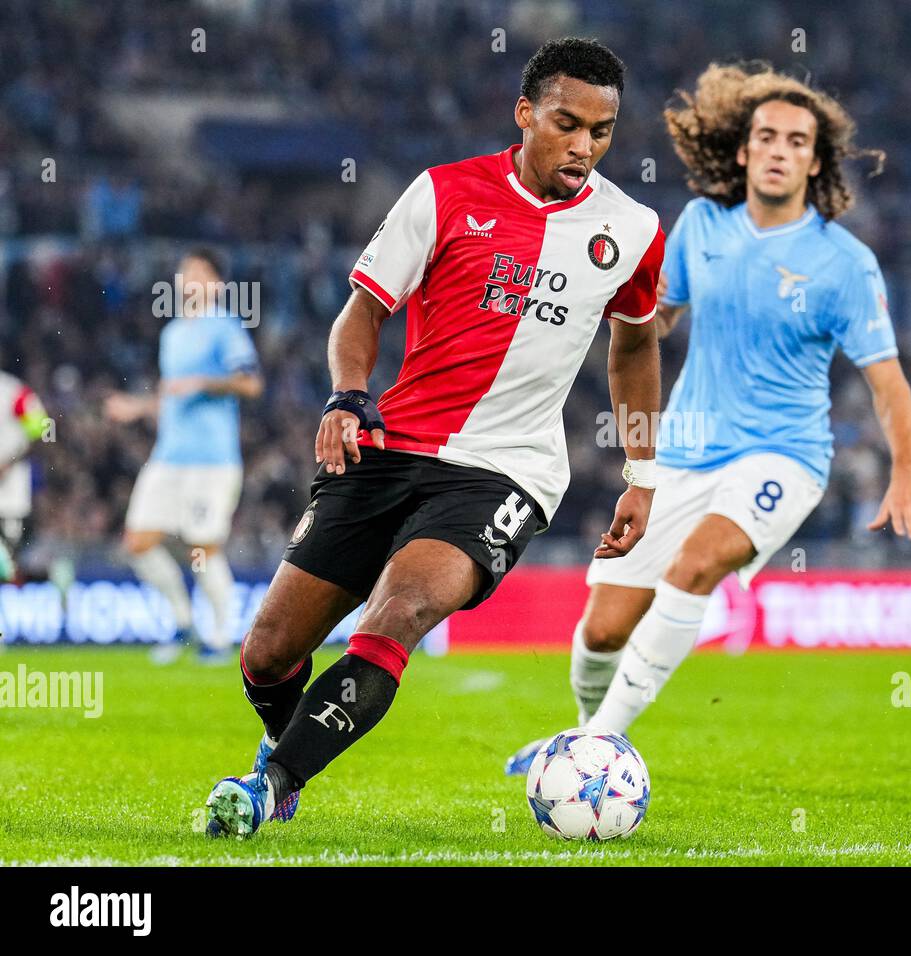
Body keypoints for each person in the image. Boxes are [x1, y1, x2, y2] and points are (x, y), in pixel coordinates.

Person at [203, 37, 666, 839]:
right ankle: (291, 746)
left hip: (506, 471)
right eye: (567, 123)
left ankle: (270, 785)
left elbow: (634, 344)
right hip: (391, 449)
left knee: (403, 609)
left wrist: (642, 470)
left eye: (603, 130)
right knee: (268, 655)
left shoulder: (630, 228)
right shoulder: (445, 193)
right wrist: (347, 396)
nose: (584, 146)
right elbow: (364, 309)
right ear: (525, 114)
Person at [506, 62, 911, 773]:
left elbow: (887, 381)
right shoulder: (703, 225)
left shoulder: (844, 264)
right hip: (681, 453)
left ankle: (597, 747)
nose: (778, 149)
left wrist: (908, 471)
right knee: (602, 630)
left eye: (796, 141)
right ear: (742, 150)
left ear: (814, 160)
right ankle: (582, 729)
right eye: (765, 135)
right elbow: (655, 319)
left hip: (781, 455)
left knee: (697, 564)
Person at [105, 248, 262, 664]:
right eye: (185, 272)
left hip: (211, 460)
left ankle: (221, 636)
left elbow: (250, 385)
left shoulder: (226, 327)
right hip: (168, 456)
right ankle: (182, 621)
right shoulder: (172, 334)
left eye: (200, 273)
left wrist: (203, 382)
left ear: (217, 285)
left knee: (203, 547)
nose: (190, 280)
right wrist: (136, 408)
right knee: (137, 541)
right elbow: (170, 396)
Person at [0, 370, 47, 583]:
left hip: (10, 491)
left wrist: (8, 463)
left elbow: (43, 430)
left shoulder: (12, 390)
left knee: (11, 556)